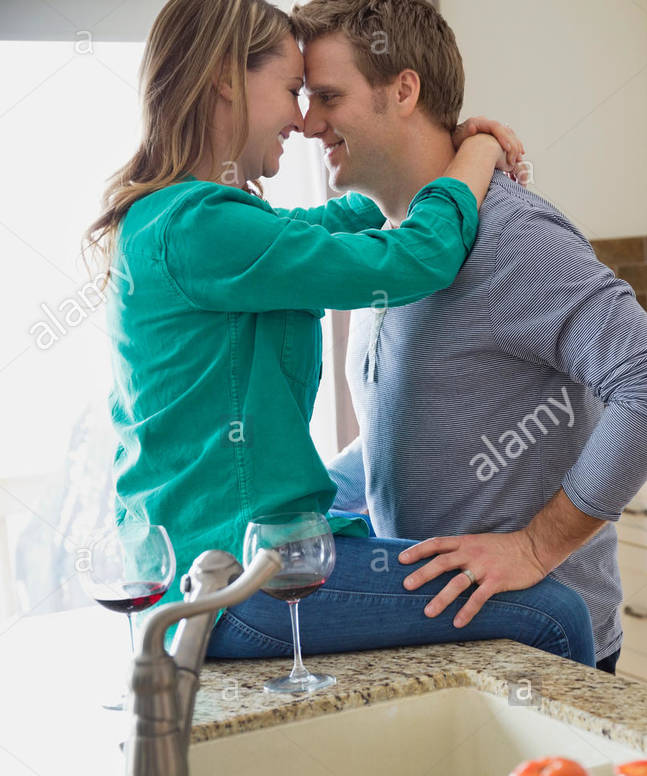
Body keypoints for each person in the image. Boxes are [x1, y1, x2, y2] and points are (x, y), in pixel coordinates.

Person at [86, 0, 596, 666]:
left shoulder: (169, 217)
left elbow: (329, 228)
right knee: (555, 614)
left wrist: (427, 166)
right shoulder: (203, 224)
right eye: (293, 91)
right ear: (224, 79)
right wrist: (475, 153)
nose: (302, 120)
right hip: (238, 581)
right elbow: (416, 259)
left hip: (199, 577)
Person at [291, 0, 647, 674]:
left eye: (327, 97)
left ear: (404, 89)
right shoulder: (387, 245)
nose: (308, 124)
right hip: (449, 637)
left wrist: (538, 546)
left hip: (546, 646)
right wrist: (304, 508)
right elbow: (420, 421)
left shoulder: (513, 238)